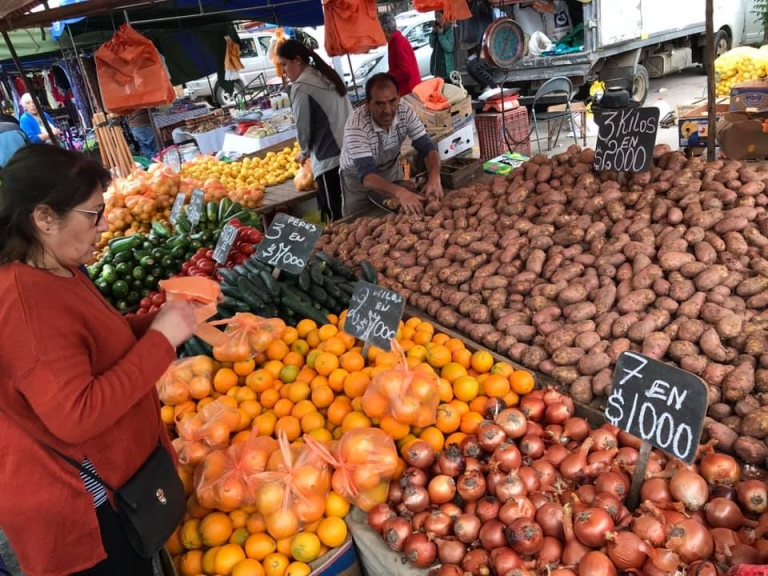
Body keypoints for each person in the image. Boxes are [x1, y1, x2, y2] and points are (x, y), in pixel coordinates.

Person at [0, 145, 199, 576]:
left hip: (113, 482)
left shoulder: (56, 268)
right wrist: (162, 340)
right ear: (44, 218)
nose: (105, 224)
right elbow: (77, 413)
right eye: (93, 214)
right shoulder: (24, 304)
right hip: (82, 508)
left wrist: (156, 323)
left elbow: (93, 342)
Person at [339, 73, 443, 217]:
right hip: (359, 183)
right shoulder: (356, 126)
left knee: (399, 219)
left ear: (399, 97)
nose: (387, 110)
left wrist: (434, 178)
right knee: (360, 223)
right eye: (380, 103)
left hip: (391, 173)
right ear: (368, 103)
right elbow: (368, 177)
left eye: (392, 101)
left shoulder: (406, 113)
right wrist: (400, 193)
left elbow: (428, 149)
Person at [277, 39, 352, 222]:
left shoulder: (302, 87)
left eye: (284, 65)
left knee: (336, 218)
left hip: (330, 158)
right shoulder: (324, 75)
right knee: (352, 209)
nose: (284, 72)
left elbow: (303, 127)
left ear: (297, 60)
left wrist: (304, 152)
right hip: (351, 151)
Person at [379, 13, 421, 96]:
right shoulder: (395, 42)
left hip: (409, 91)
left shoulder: (399, 43)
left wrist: (388, 77)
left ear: (385, 29)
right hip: (406, 89)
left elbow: (405, 71)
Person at [430, 11, 456, 80]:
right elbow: (432, 45)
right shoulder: (438, 30)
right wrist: (433, 33)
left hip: (447, 69)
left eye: (439, 16)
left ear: (445, 16)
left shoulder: (450, 31)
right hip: (437, 69)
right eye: (436, 17)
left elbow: (449, 48)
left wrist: (441, 35)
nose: (437, 20)